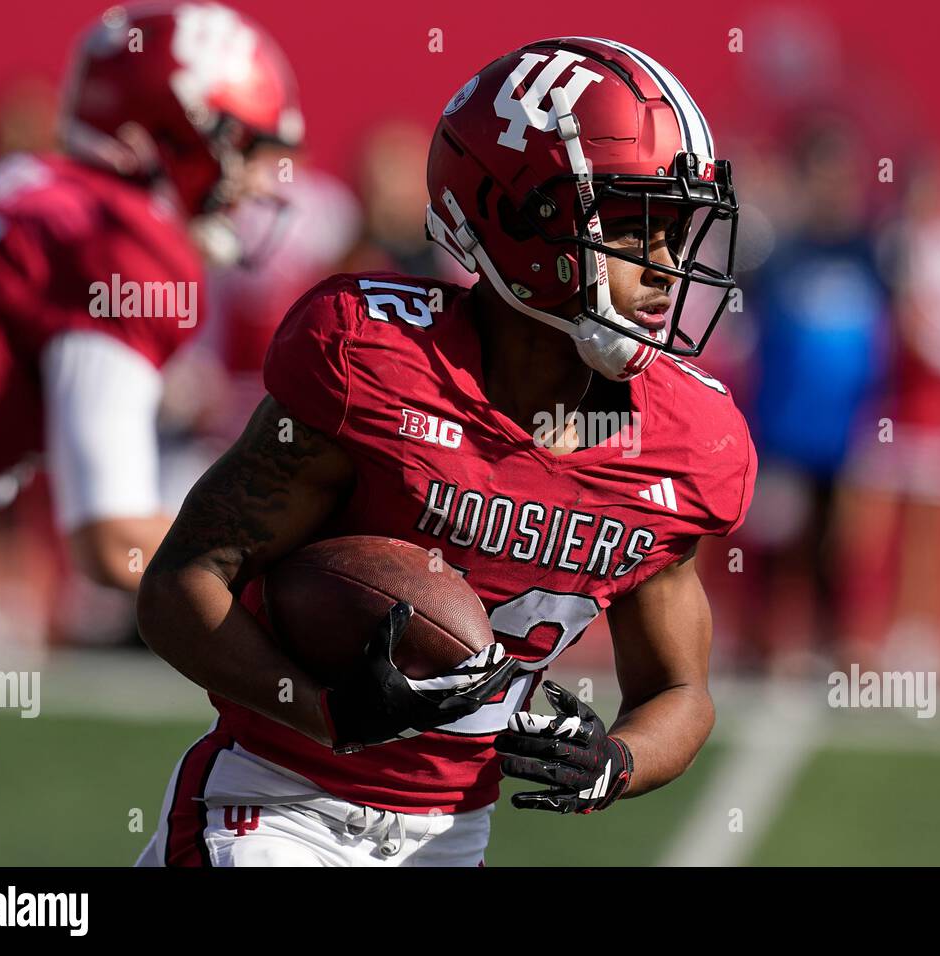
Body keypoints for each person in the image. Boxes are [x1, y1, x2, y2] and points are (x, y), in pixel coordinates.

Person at [135, 37, 756, 867]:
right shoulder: (375, 364)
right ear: (518, 215)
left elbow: (680, 690)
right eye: (640, 225)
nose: (669, 267)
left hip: (453, 838)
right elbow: (179, 587)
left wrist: (617, 759)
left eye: (681, 232)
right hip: (278, 805)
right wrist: (325, 709)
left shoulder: (683, 442)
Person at [0, 1, 302, 866]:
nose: (255, 183)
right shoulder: (124, 241)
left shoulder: (26, 186)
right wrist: (284, 593)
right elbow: (111, 541)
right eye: (245, 149)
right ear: (182, 132)